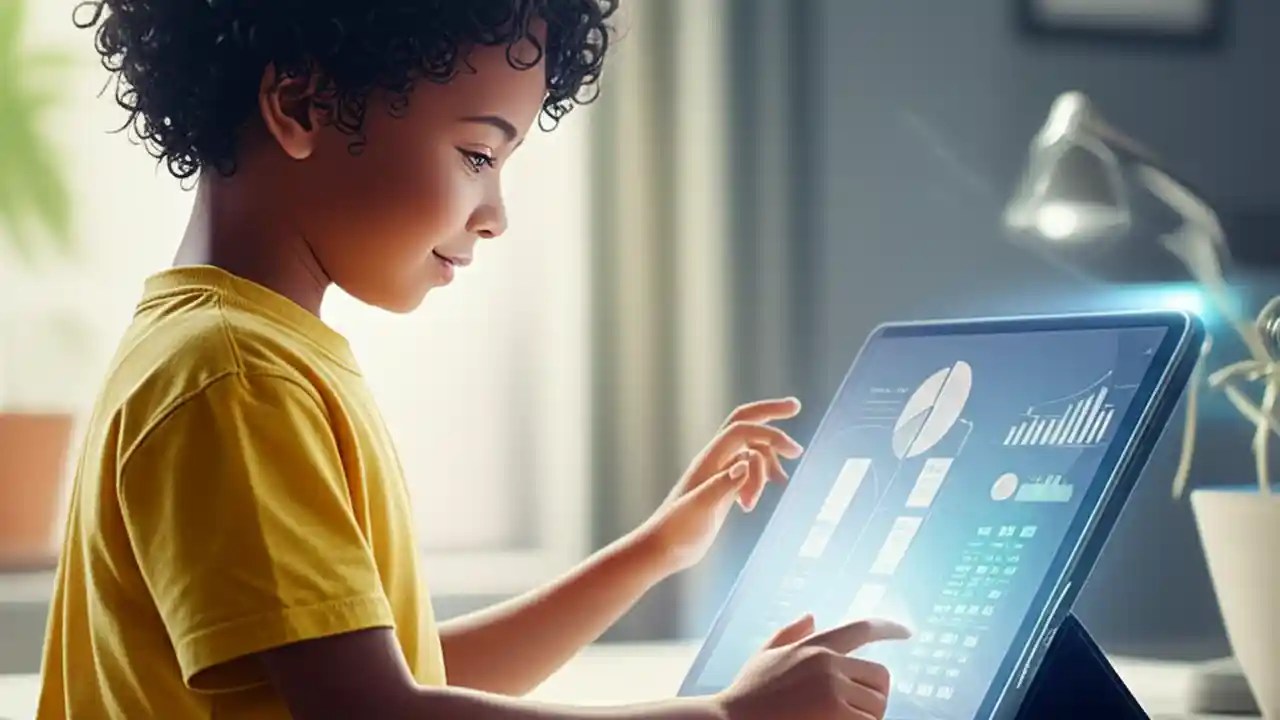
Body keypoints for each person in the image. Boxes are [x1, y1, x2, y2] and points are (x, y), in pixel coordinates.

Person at [37, 2, 909, 718]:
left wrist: (651, 552)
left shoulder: (232, 350)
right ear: (300, 105)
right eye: (478, 154)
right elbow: (379, 716)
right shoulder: (237, 378)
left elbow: (396, 678)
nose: (495, 213)